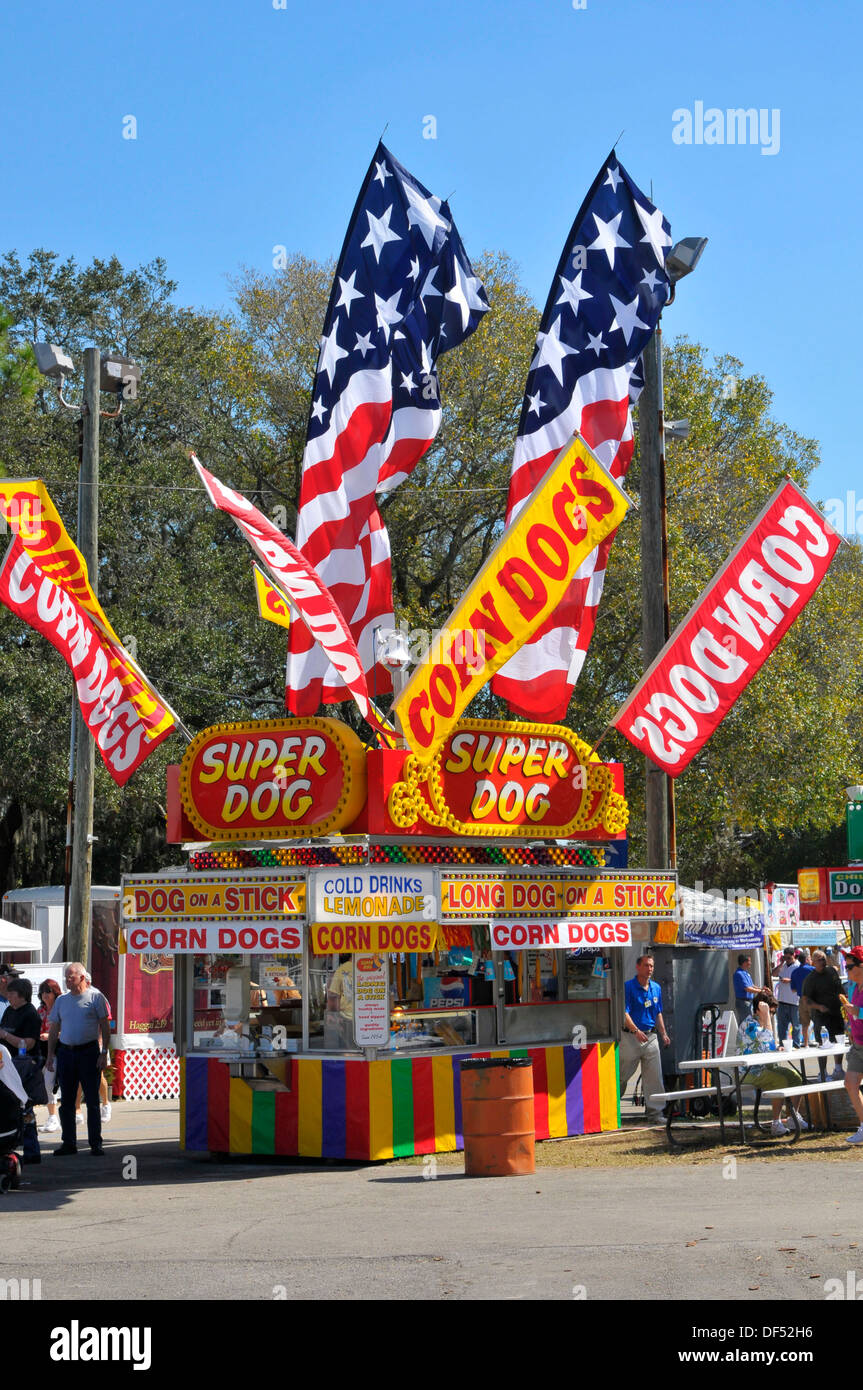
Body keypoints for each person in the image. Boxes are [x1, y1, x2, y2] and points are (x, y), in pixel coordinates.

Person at [44, 962, 111, 1156]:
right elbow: (54, 1028)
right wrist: (50, 1055)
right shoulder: (62, 1001)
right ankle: (69, 1143)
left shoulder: (96, 997)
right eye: (66, 977)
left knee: (91, 1100)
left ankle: (95, 1143)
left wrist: (103, 1052)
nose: (67, 981)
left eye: (70, 977)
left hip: (88, 1052)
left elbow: (105, 1027)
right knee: (67, 1101)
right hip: (66, 1053)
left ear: (82, 978)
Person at [737, 995, 809, 1137]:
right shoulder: (750, 1024)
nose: (771, 1015)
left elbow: (767, 1044)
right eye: (770, 1011)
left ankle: (792, 1118)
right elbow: (766, 1036)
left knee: (796, 1078)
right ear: (758, 1010)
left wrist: (777, 1048)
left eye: (773, 1013)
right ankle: (775, 1123)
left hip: (765, 1067)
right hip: (749, 1072)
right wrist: (767, 1018)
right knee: (780, 1081)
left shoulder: (761, 1022)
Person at [621, 954, 671, 1124]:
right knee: (621, 1076)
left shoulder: (655, 987)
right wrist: (635, 1031)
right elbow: (624, 1012)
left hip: (650, 1037)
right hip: (630, 1038)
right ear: (638, 967)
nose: (649, 969)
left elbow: (658, 1012)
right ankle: (611, 1109)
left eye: (651, 966)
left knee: (654, 1077)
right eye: (646, 965)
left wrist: (663, 1033)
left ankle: (656, 1115)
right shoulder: (628, 987)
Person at [0, 977, 44, 1163]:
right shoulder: (9, 1011)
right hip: (7, 1065)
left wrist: (5, 1035)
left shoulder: (30, 1014)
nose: (8, 995)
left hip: (25, 1064)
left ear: (21, 994)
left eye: (11, 993)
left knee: (25, 1106)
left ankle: (32, 1150)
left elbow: (28, 1043)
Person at [801, 949, 847, 1079]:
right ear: (813, 962)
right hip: (821, 1016)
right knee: (823, 1044)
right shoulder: (810, 979)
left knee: (839, 1040)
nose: (823, 961)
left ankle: (838, 1069)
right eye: (820, 960)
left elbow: (839, 987)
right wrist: (818, 1006)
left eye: (824, 959)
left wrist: (845, 999)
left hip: (836, 1012)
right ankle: (823, 1071)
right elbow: (806, 1000)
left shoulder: (832, 971)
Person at [840, 946, 863, 1144]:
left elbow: (857, 1011)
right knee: (850, 1083)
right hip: (858, 1044)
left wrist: (858, 1012)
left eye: (850, 966)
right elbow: (851, 1013)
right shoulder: (852, 987)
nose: (846, 970)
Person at [35, 979, 63, 1132]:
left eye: (48, 991)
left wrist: (51, 1035)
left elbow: (67, 1031)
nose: (45, 995)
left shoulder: (60, 1009)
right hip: (42, 1050)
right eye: (42, 991)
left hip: (57, 1049)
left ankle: (54, 1118)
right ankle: (53, 1117)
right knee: (45, 1084)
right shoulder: (40, 1010)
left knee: (49, 1084)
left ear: (55, 992)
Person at [772, 946, 802, 1046]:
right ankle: (782, 1045)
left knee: (796, 1026)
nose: (787, 960)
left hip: (794, 1001)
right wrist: (781, 963)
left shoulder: (798, 966)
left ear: (794, 956)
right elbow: (774, 974)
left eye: (789, 958)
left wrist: (789, 981)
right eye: (785, 958)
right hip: (782, 1000)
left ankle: (796, 1045)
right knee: (781, 1026)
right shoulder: (783, 966)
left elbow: (801, 981)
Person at [326, 955, 355, 1047]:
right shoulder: (372, 968)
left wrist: (332, 1015)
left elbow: (333, 996)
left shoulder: (342, 969)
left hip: (348, 1018)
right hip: (370, 1016)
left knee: (351, 1049)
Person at [733, 954, 761, 1024]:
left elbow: (752, 985)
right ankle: (742, 1035)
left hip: (748, 1002)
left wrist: (761, 989)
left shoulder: (746, 973)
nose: (750, 963)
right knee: (745, 1023)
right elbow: (747, 988)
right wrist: (760, 991)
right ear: (744, 962)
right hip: (743, 1002)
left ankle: (744, 1035)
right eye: (749, 961)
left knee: (748, 1022)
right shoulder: (739, 974)